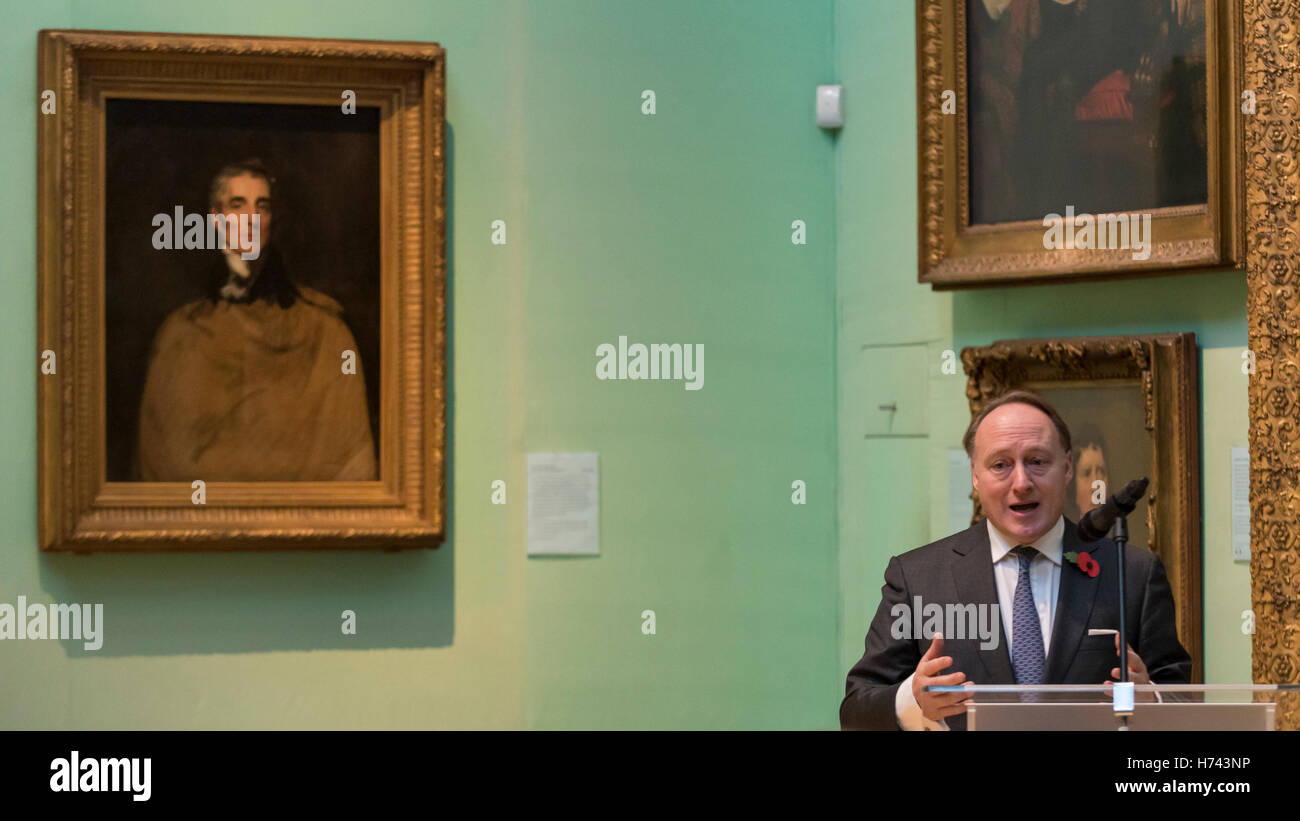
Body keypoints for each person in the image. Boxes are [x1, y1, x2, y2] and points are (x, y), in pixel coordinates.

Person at [839, 390, 1190, 730]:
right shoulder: (918, 578)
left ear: (1067, 467)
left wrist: (1153, 706)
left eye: (1037, 461)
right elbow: (856, 711)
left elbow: (1184, 704)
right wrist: (913, 700)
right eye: (1000, 465)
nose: (1022, 482)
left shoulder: (1133, 574)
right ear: (975, 475)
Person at [136, 159, 377, 482]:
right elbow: (157, 471)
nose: (251, 219)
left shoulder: (326, 333)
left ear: (272, 221)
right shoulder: (179, 336)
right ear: (217, 220)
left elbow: (353, 466)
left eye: (261, 207)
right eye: (238, 206)